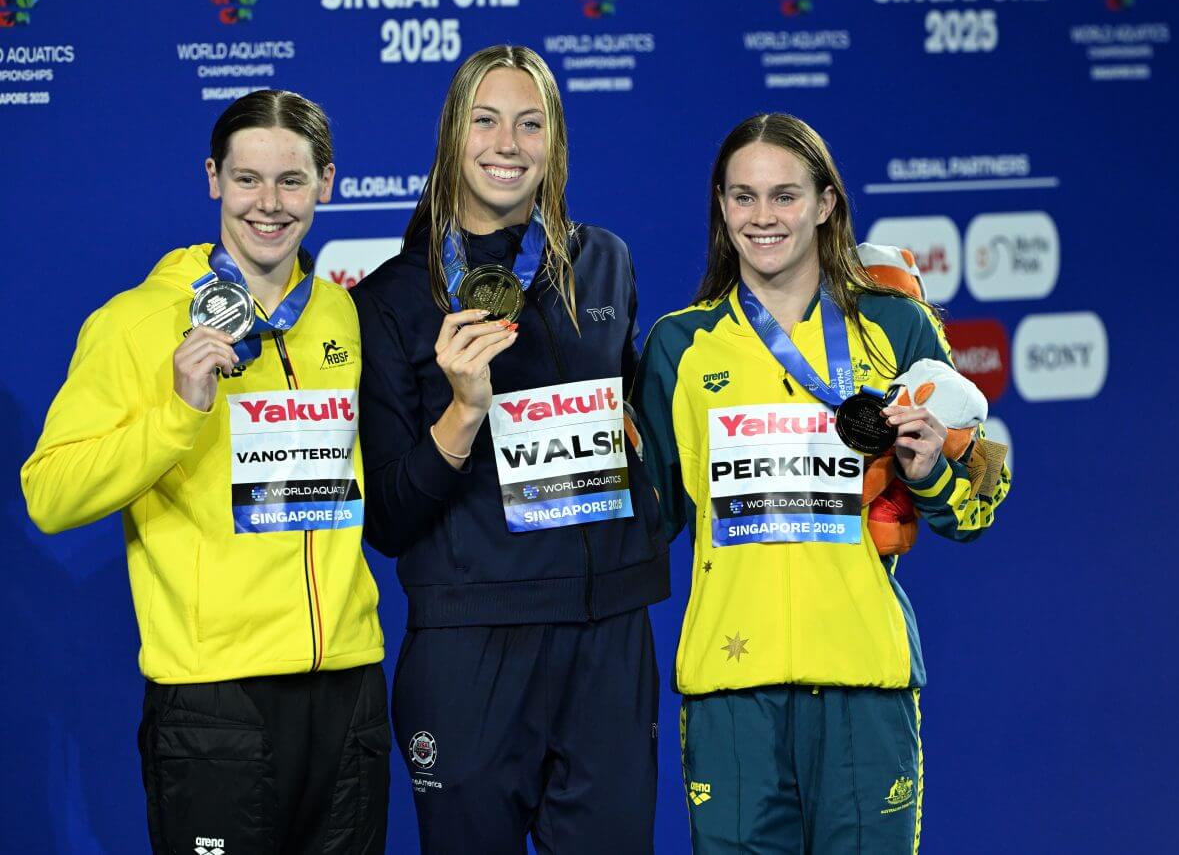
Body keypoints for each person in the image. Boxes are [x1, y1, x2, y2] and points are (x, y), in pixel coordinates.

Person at [21, 90, 389, 855]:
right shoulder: (137, 321)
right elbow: (49, 495)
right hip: (216, 697)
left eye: (292, 181)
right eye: (248, 179)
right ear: (213, 178)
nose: (269, 204)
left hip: (347, 687)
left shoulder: (339, 315)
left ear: (327, 184)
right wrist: (178, 413)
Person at [632, 113, 1012, 854]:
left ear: (827, 203)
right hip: (730, 692)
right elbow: (647, 521)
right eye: (743, 197)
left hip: (864, 681)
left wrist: (931, 472)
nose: (763, 217)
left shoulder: (896, 327)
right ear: (720, 205)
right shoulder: (680, 345)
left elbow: (978, 507)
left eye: (785, 196)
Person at [350, 45, 668, 855]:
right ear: (453, 136)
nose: (508, 144)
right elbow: (386, 518)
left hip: (607, 638)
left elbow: (638, 430)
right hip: (471, 645)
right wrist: (462, 412)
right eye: (486, 121)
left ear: (554, 144)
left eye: (531, 124)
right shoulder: (394, 297)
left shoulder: (603, 264)